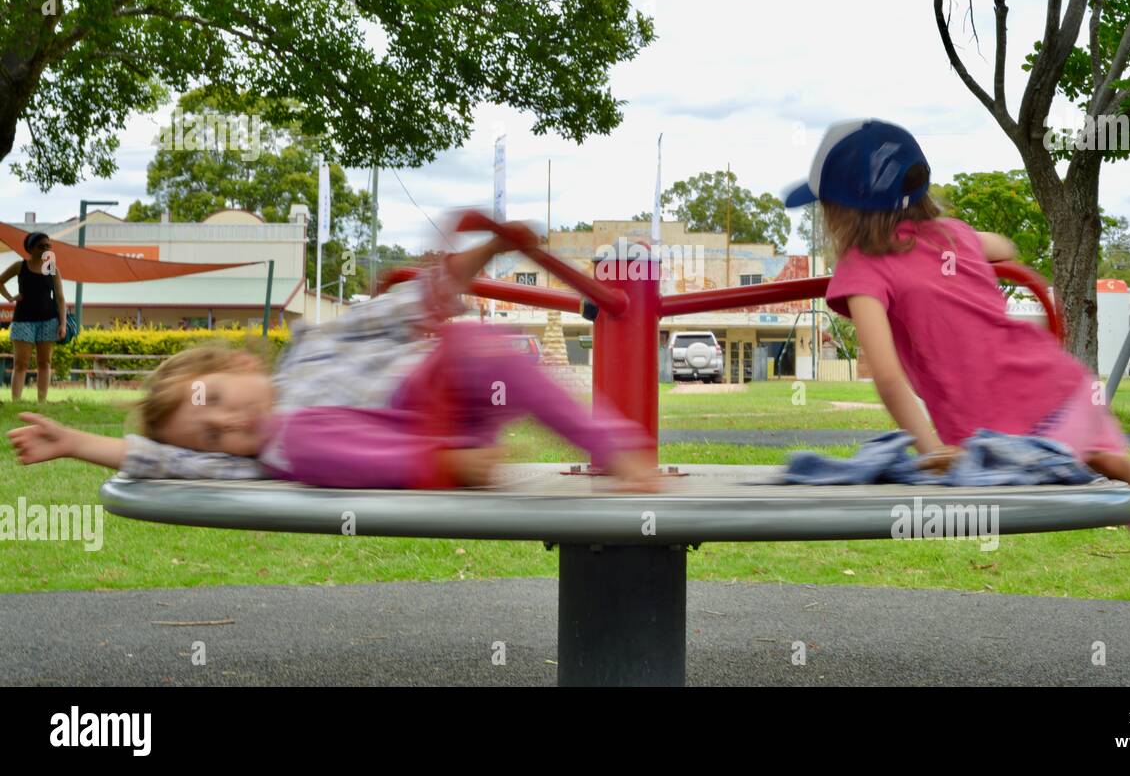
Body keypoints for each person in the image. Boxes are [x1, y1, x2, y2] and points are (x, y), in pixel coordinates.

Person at [786, 119, 1130, 636]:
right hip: (1064, 384)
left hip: (1007, 424)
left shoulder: (863, 270)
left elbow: (886, 376)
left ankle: (1097, 463)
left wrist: (929, 447)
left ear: (844, 211)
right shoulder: (953, 236)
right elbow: (1003, 246)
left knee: (989, 473)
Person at [8, 220, 661, 493]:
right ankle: (446, 464)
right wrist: (74, 442)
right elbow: (160, 459)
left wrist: (489, 249)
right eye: (211, 437)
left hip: (438, 397)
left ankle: (615, 449)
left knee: (475, 345)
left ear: (240, 366)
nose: (228, 426)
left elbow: (407, 305)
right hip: (420, 447)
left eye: (217, 403)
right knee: (293, 443)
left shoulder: (315, 345)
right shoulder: (266, 451)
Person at [1, 231, 67, 403]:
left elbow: (60, 299)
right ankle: (16, 402)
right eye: (41, 246)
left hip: (48, 321)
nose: (46, 249)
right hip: (23, 321)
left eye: (48, 246)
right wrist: (10, 298)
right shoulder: (20, 266)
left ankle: (41, 402)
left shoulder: (52, 270)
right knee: (20, 364)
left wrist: (63, 324)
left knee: (44, 363)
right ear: (30, 248)